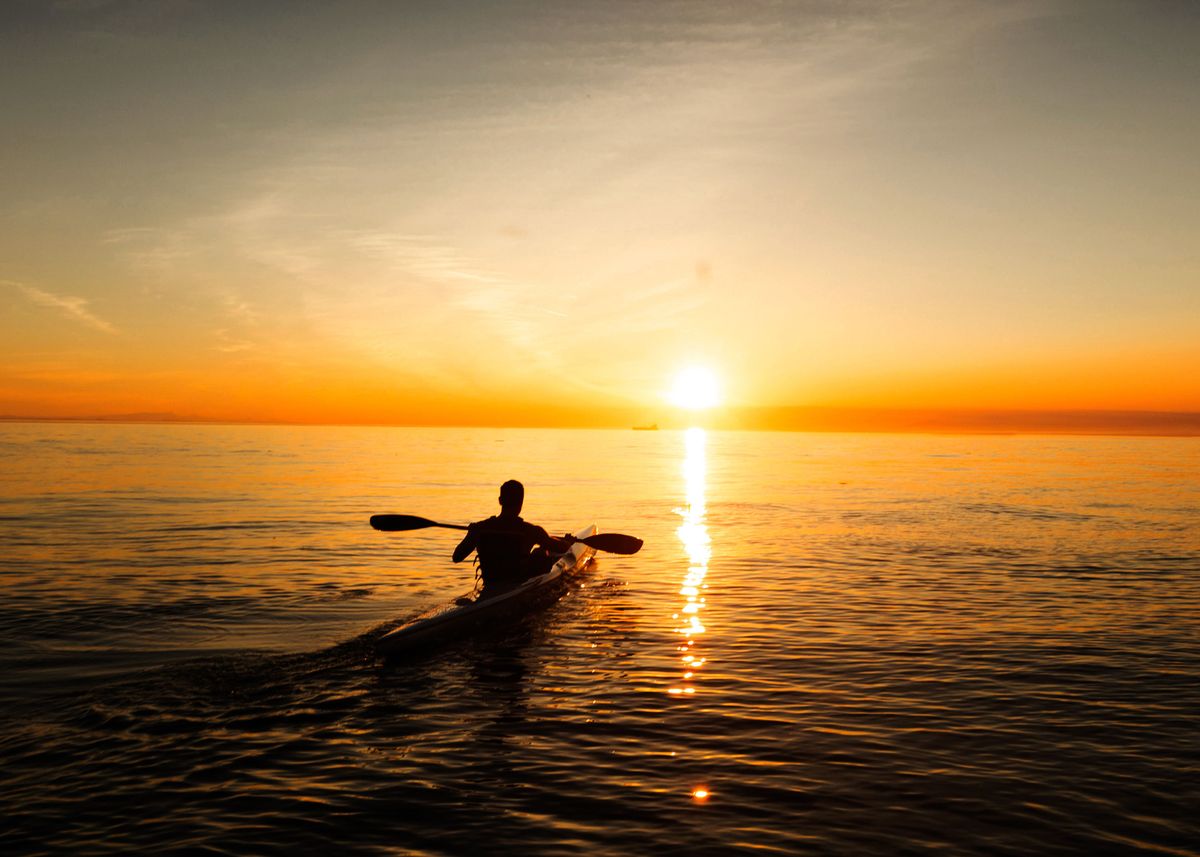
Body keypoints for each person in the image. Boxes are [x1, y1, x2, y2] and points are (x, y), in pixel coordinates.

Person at [452, 480, 575, 594]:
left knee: (539, 552)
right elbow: (561, 549)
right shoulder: (531, 531)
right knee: (541, 553)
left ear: (500, 501)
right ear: (521, 503)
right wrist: (568, 542)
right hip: (518, 585)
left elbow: (457, 557)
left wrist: (471, 534)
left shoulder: (480, 528)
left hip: (490, 584)